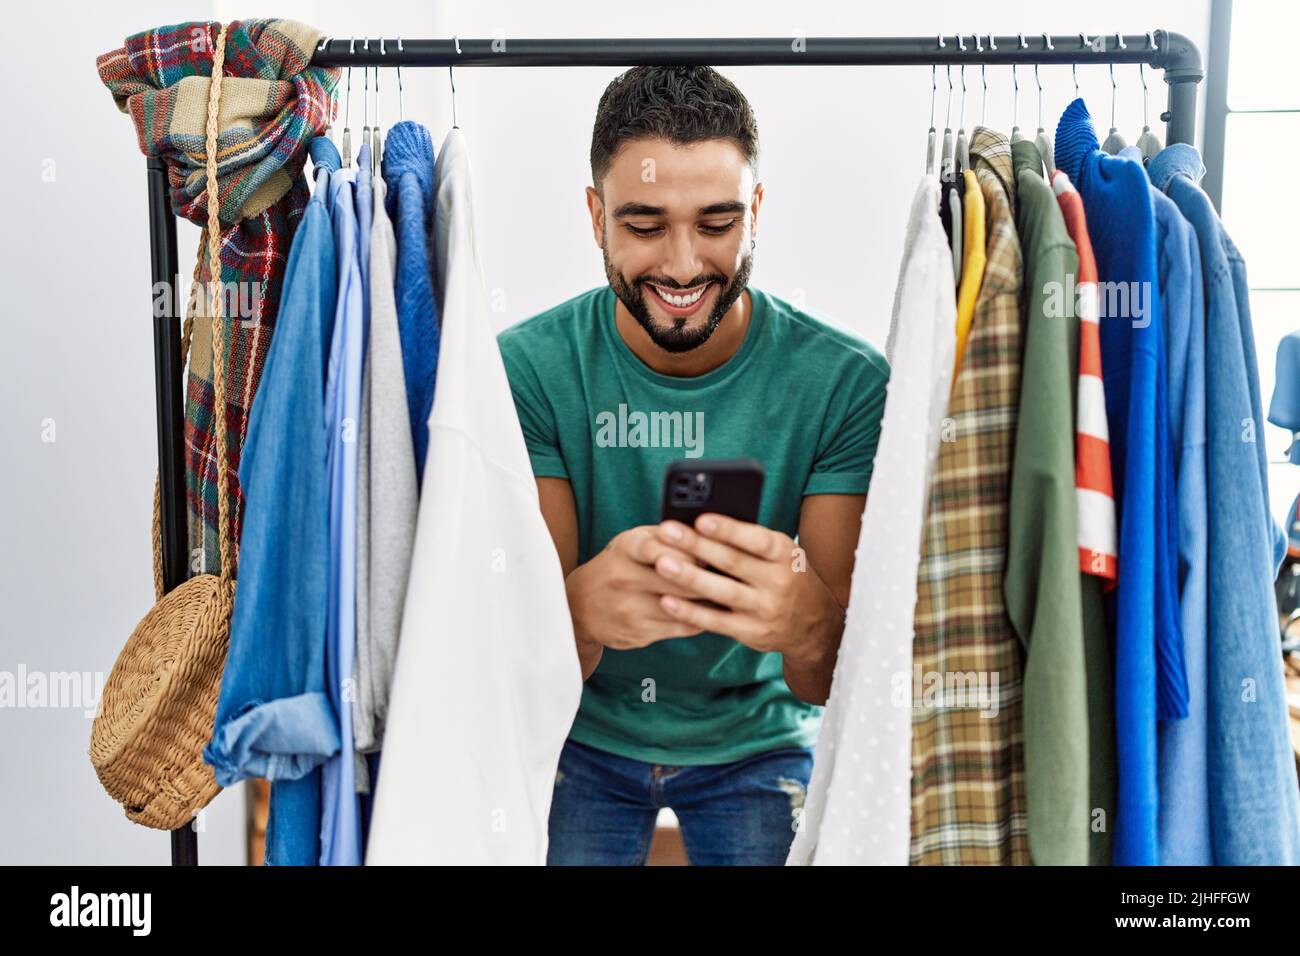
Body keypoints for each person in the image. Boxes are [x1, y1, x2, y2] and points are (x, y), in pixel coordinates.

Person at [498, 64, 891, 865]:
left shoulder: (846, 383)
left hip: (761, 736)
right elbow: (521, 671)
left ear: (757, 211)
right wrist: (577, 614)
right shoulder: (525, 371)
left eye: (716, 223)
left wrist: (808, 622)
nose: (682, 267)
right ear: (596, 217)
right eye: (645, 225)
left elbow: (826, 681)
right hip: (577, 732)